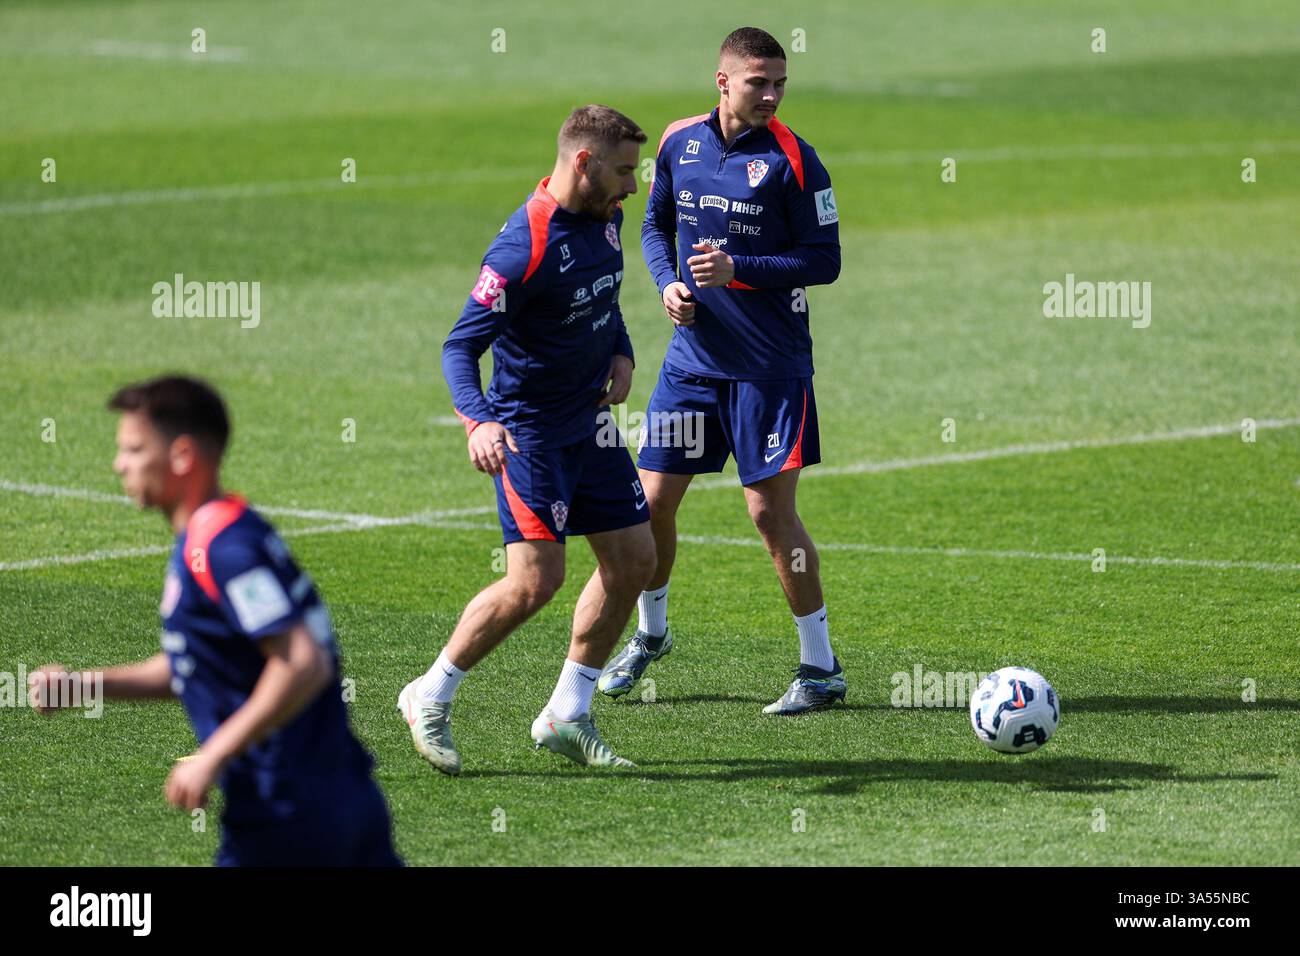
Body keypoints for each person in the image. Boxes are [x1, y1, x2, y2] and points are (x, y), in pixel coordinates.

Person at [29, 375, 401, 866]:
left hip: (289, 814)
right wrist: (85, 686)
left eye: (134, 449)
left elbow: (302, 663)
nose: (119, 464)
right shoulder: (212, 537)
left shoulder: (222, 547)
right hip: (337, 796)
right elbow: (197, 665)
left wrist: (213, 755)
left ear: (182, 456)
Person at [399, 105, 656, 773]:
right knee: (534, 582)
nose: (634, 186)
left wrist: (623, 354)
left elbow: (606, 298)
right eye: (625, 172)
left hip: (591, 423)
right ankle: (430, 692)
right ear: (584, 162)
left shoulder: (606, 218)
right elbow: (461, 346)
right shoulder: (523, 248)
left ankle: (566, 715)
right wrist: (479, 419)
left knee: (633, 560)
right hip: (531, 433)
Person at [600, 27, 845, 714]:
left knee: (770, 515)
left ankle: (820, 667)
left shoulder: (796, 161)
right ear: (723, 80)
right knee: (648, 507)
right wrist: (665, 285)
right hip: (693, 364)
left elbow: (824, 260)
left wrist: (741, 272)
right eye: (758, 82)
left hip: (770, 368)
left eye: (780, 84)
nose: (771, 95)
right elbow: (653, 225)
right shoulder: (680, 142)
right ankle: (650, 636)